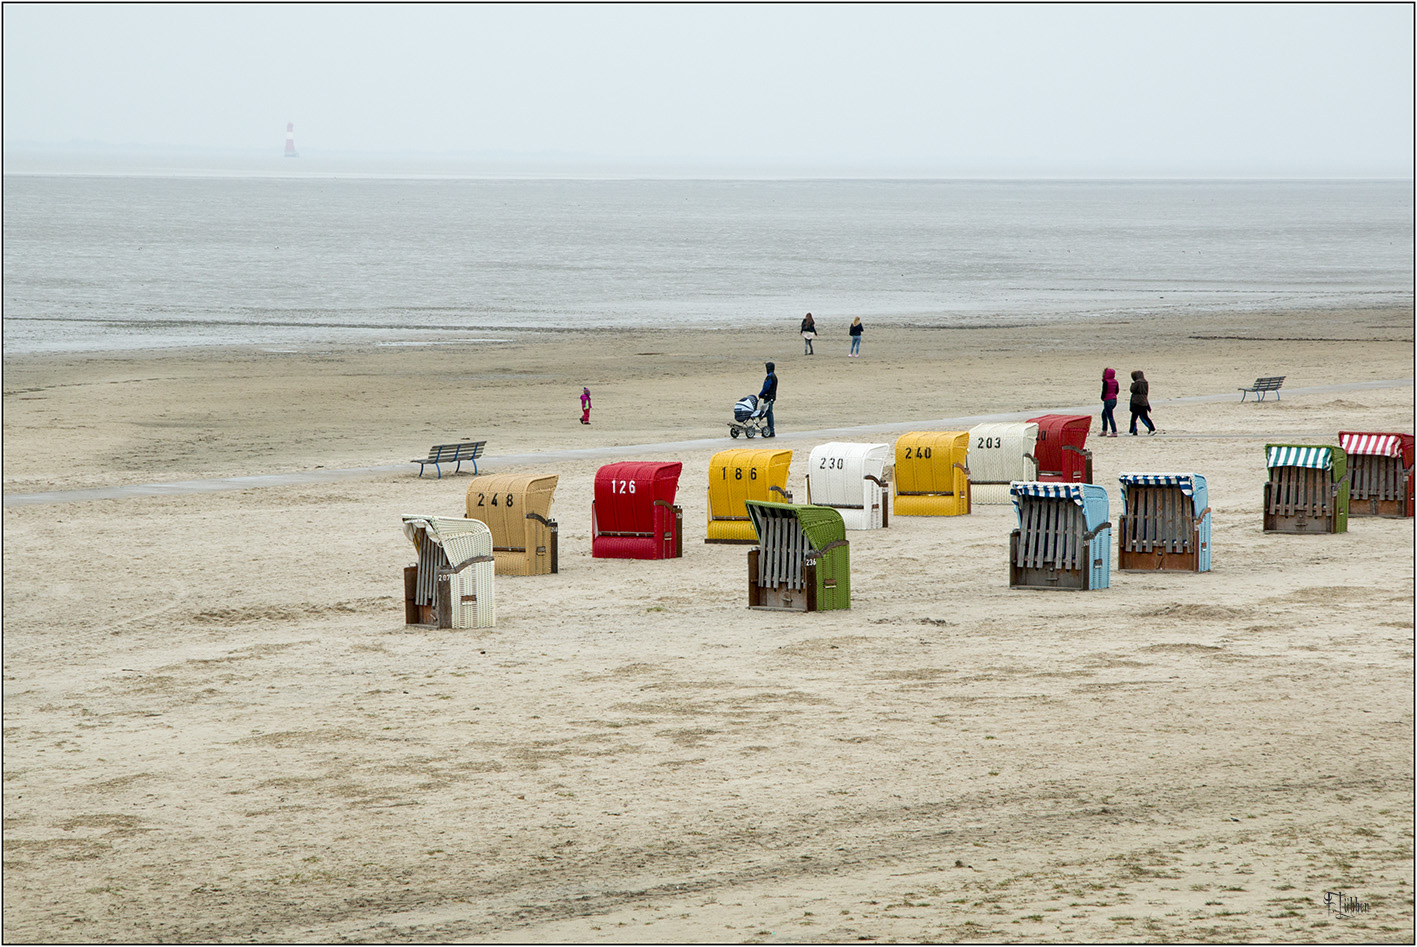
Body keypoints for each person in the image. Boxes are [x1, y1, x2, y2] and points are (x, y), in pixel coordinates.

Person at [1128, 370, 1155, 435]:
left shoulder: (1137, 383)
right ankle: (1152, 429)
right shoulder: (1145, 383)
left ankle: (1132, 431)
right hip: (1144, 402)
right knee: (1144, 417)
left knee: (1134, 418)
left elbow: (1132, 390)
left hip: (1137, 402)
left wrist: (1133, 384)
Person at [758, 362, 778, 437]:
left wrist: (761, 394)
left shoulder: (770, 377)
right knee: (767, 412)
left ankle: (771, 430)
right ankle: (770, 429)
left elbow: (766, 387)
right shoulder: (774, 376)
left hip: (769, 397)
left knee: (768, 413)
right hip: (772, 397)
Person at [1099, 367, 1119, 436]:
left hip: (1108, 400)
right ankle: (1104, 430)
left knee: (1109, 416)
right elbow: (1117, 391)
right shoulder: (1115, 381)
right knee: (1104, 415)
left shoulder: (1106, 382)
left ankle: (1114, 431)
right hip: (1114, 399)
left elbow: (1104, 391)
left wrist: (1102, 398)